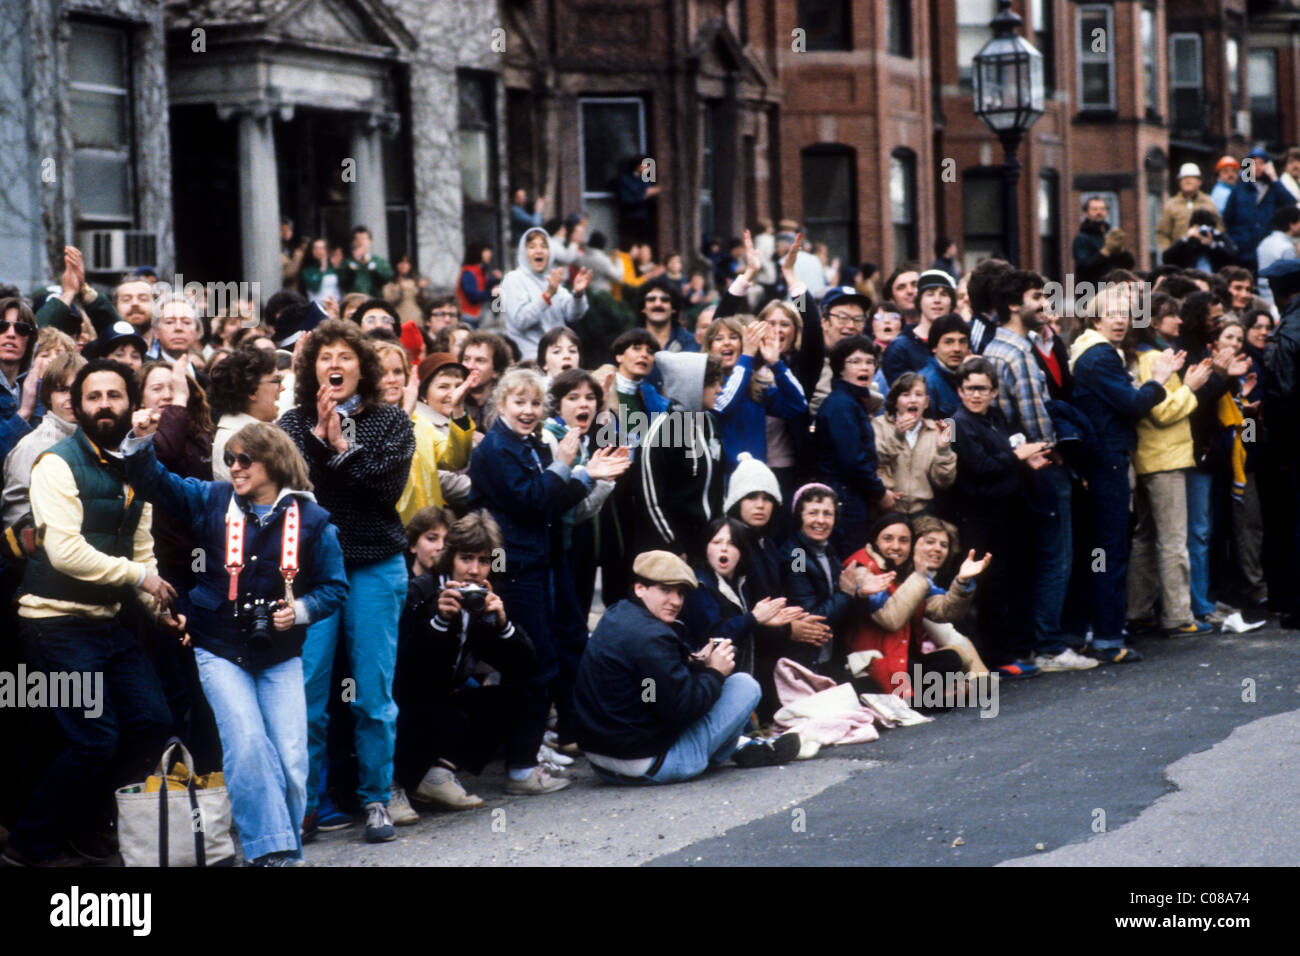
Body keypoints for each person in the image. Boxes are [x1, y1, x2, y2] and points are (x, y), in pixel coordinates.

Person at [122, 417, 347, 866]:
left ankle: (282, 849)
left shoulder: (314, 520)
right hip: (218, 645)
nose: (235, 468)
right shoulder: (212, 498)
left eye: (246, 459)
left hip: (280, 652)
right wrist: (140, 440)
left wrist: (298, 612)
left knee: (290, 762)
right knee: (246, 744)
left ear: (276, 461)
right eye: (230, 460)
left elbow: (335, 587)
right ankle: (273, 855)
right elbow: (155, 481)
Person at [2, 359, 178, 867]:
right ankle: (29, 844)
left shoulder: (138, 468)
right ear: (78, 407)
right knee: (94, 737)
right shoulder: (55, 463)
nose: (105, 404)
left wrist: (157, 605)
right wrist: (140, 580)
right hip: (53, 623)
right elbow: (65, 553)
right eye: (94, 396)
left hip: (109, 621)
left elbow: (143, 554)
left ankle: (88, 824)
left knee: (152, 720)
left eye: (115, 395)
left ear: (131, 403)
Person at [277, 319, 416, 843]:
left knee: (373, 696)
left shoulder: (392, 422)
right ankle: (307, 806)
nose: (334, 365)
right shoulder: (292, 424)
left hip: (377, 566)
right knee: (308, 694)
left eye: (345, 356)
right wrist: (321, 438)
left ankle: (377, 799)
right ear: (311, 368)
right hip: (313, 575)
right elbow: (294, 485)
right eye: (324, 356)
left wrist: (341, 450)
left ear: (364, 366)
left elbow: (386, 487)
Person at [468, 368, 630, 788]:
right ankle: (521, 766)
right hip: (514, 568)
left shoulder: (527, 443)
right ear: (501, 404)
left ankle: (528, 754)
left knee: (542, 661)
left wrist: (589, 475)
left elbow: (554, 502)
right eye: (519, 402)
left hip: (538, 562)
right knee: (531, 665)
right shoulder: (498, 449)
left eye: (535, 404)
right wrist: (569, 469)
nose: (528, 411)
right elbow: (531, 501)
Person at [572, 550, 801, 786]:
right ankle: (735, 747)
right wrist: (714, 672)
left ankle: (739, 745)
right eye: (665, 590)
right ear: (640, 588)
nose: (675, 601)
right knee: (744, 685)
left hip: (602, 762)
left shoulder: (617, 614)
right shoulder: (651, 636)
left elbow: (649, 688)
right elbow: (682, 710)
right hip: (651, 764)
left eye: (680, 593)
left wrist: (693, 663)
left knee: (703, 687)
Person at [395, 510, 554, 807]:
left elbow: (525, 665)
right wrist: (439, 619)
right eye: (466, 558)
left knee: (516, 697)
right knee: (446, 715)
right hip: (408, 704)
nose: (474, 570)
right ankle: (404, 781)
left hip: (445, 700)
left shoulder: (484, 595)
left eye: (483, 561)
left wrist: (503, 624)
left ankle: (439, 772)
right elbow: (405, 665)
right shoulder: (423, 590)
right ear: (450, 557)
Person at [1069, 287, 1182, 663]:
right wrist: (1160, 379)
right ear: (1095, 319)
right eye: (1112, 313)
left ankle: (1096, 632)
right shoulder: (1099, 355)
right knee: (1109, 551)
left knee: (1102, 550)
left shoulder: (1093, 351)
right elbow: (1133, 403)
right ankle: (1105, 638)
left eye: (1125, 313)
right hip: (1107, 462)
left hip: (1102, 461)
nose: (1120, 319)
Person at [949, 358, 1050, 677]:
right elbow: (979, 467)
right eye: (969, 389)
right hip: (978, 517)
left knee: (1009, 582)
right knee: (989, 587)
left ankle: (1013, 650)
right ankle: (997, 658)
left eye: (983, 389)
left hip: (1006, 513)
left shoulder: (994, 416)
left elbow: (1002, 457)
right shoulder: (958, 423)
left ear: (994, 392)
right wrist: (1015, 457)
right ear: (960, 390)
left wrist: (1023, 461)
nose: (976, 395)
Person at [1126, 314, 1214, 638]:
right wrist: (1191, 388)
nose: (1179, 319)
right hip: (1165, 459)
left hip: (1150, 459)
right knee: (1173, 541)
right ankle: (1178, 616)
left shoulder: (1142, 354)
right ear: (1153, 321)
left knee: (1146, 538)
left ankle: (1138, 610)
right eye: (1170, 313)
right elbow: (1162, 412)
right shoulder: (1153, 357)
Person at [838, 513, 985, 702]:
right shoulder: (861, 567)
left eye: (904, 540)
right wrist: (919, 576)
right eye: (888, 539)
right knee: (939, 701)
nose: (896, 546)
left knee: (954, 658)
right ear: (875, 541)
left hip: (902, 661)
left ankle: (939, 695)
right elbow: (890, 619)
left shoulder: (909, 569)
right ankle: (936, 696)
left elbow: (944, 612)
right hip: (873, 664)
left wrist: (962, 582)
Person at [680, 516, 801, 679]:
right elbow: (712, 638)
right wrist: (753, 618)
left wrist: (763, 622)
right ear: (705, 548)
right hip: (706, 678)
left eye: (732, 543)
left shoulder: (741, 582)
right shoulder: (699, 585)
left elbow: (740, 627)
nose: (724, 549)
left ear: (742, 551)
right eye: (716, 542)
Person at [633, 352, 726, 555]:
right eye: (713, 384)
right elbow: (651, 500)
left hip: (708, 544)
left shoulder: (710, 422)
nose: (720, 390)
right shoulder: (663, 432)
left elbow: (717, 485)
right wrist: (675, 546)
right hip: (673, 548)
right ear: (692, 387)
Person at [814, 334, 894, 555]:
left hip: (851, 495)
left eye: (870, 362)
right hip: (844, 497)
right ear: (840, 368)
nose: (865, 368)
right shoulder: (842, 405)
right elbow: (852, 460)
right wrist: (880, 493)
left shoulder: (854, 402)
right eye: (856, 361)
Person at [2, 351, 85, 551]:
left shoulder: (99, 440)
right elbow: (17, 513)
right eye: (63, 390)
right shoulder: (32, 445)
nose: (71, 398)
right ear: (48, 395)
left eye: (78, 390)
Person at [705, 315, 807, 473]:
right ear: (709, 348)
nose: (727, 342)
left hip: (755, 475)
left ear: (743, 344)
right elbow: (723, 404)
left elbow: (798, 405)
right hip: (720, 478)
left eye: (734, 337)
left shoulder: (755, 386)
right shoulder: (704, 387)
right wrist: (746, 357)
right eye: (718, 338)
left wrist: (776, 364)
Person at [872, 372, 956, 516]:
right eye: (905, 395)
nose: (913, 400)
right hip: (888, 509)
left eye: (919, 395)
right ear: (895, 402)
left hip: (924, 511)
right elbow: (876, 462)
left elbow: (944, 482)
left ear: (926, 402)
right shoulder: (878, 425)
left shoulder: (938, 429)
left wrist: (943, 449)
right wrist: (897, 436)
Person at [500, 226, 591, 357]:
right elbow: (520, 321)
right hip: (528, 359)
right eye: (532, 247)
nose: (539, 251)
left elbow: (573, 314)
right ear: (523, 252)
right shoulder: (513, 279)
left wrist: (577, 294)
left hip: (558, 357)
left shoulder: (551, 280)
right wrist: (547, 295)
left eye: (544, 246)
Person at [209, 345, 283, 481]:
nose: (282, 388)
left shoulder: (244, 431)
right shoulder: (242, 440)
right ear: (252, 391)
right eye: (277, 381)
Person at [1223, 147, 1297, 271]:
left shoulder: (1273, 188)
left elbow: (1290, 205)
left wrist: (1274, 179)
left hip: (1266, 247)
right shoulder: (1239, 189)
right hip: (1243, 250)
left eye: (1262, 163)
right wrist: (1236, 241)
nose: (1257, 167)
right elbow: (1227, 218)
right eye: (1253, 164)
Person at [881, 269, 955, 387]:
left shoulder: (961, 342)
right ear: (919, 301)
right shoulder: (900, 348)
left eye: (944, 294)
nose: (937, 300)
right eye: (930, 294)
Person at [0, 298, 46, 469]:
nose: (11, 333)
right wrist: (24, 412)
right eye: (2, 326)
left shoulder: (40, 388)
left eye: (21, 328)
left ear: (30, 340)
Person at [1156, 163, 1223, 253]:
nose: (1187, 180)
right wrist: (1168, 253)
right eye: (1184, 178)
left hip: (1205, 254)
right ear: (1179, 182)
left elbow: (1220, 227)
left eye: (1192, 177)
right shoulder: (1171, 205)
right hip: (1180, 256)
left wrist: (1213, 244)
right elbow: (1163, 233)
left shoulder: (1209, 202)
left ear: (1199, 182)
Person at [1072, 196, 1134, 286]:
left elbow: (1129, 265)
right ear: (1086, 213)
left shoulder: (1109, 236)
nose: (1099, 212)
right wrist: (1105, 251)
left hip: (1112, 290)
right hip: (1089, 292)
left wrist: (1121, 251)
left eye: (1102, 209)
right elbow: (1084, 267)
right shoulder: (1081, 239)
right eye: (1094, 209)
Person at [918, 313, 968, 419]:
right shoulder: (926, 382)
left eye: (962, 342)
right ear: (934, 347)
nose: (957, 349)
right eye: (949, 342)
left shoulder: (967, 376)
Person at [1161, 208, 1239, 273]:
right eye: (1199, 228)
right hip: (1190, 281)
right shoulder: (1187, 242)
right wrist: (1185, 239)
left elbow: (1233, 257)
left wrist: (1212, 244)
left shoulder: (1218, 238)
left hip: (1216, 281)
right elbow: (1166, 258)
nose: (1202, 233)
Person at [1254, 206, 1300, 305]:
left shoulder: (1264, 242)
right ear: (1291, 224)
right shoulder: (1286, 247)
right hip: (1280, 297)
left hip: (1264, 293)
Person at [340, 226, 394, 296]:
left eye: (363, 239)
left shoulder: (378, 261)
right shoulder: (347, 262)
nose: (360, 242)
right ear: (353, 243)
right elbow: (343, 282)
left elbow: (387, 278)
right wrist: (354, 265)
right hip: (354, 300)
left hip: (374, 299)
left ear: (370, 242)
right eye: (357, 239)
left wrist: (369, 264)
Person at [457, 244, 499, 327]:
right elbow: (472, 296)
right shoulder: (469, 272)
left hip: (478, 316)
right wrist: (492, 292)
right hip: (468, 316)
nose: (489, 254)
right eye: (486, 251)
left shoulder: (481, 271)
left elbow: (488, 286)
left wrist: (497, 280)